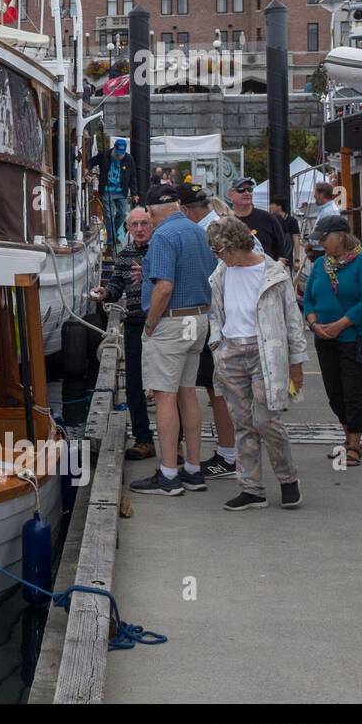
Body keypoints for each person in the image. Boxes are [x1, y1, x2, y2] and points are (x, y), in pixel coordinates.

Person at [206, 217, 307, 511]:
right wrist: (218, 345)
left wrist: (297, 362)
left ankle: (288, 480)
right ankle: (251, 488)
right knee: (243, 423)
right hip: (231, 351)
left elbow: (292, 319)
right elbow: (216, 313)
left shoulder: (274, 272)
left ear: (236, 246)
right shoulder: (222, 271)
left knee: (267, 420)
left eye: (220, 251)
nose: (219, 256)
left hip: (266, 353)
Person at [129, 183, 217, 497]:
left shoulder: (164, 236)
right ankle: (193, 469)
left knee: (165, 397)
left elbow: (164, 287)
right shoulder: (198, 231)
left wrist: (150, 324)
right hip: (199, 318)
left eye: (148, 216)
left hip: (171, 321)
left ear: (153, 210)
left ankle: (168, 474)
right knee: (187, 393)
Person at [304, 214, 362, 467]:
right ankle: (347, 436)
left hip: (354, 338)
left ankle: (354, 443)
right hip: (324, 337)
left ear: (340, 236)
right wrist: (313, 322)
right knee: (334, 393)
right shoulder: (320, 265)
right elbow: (309, 299)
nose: (320, 244)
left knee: (353, 392)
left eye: (324, 239)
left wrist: (341, 324)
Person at [178, 183, 238, 479]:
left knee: (219, 391)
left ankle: (228, 455)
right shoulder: (224, 226)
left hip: (219, 324)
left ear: (185, 210)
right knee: (222, 391)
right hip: (230, 322)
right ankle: (230, 452)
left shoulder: (203, 234)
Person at [90, 207, 156, 460]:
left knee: (167, 386)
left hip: (160, 323)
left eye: (144, 224)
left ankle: (177, 444)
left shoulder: (160, 250)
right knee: (134, 384)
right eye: (134, 225)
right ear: (127, 228)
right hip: (135, 322)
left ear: (152, 225)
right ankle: (143, 439)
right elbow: (117, 285)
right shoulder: (125, 254)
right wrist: (105, 293)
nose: (139, 229)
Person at [89, 138, 138, 250]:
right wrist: (88, 170)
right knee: (109, 215)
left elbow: (133, 176)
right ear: (114, 149)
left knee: (122, 214)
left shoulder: (129, 159)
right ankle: (111, 242)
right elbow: (91, 161)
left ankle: (113, 235)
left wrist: (134, 193)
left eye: (122, 154)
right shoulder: (105, 155)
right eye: (117, 153)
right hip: (106, 191)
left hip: (121, 191)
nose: (119, 156)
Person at [227, 177, 287, 260]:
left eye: (249, 189)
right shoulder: (227, 222)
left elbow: (280, 247)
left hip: (265, 270)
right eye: (241, 190)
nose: (247, 193)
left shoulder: (267, 218)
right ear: (231, 195)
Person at [270, 195, 302, 271]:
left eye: (272, 204)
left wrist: (297, 260)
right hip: (272, 260)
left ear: (279, 206)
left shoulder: (292, 221)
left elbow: (296, 241)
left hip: (287, 261)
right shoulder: (269, 220)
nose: (270, 206)